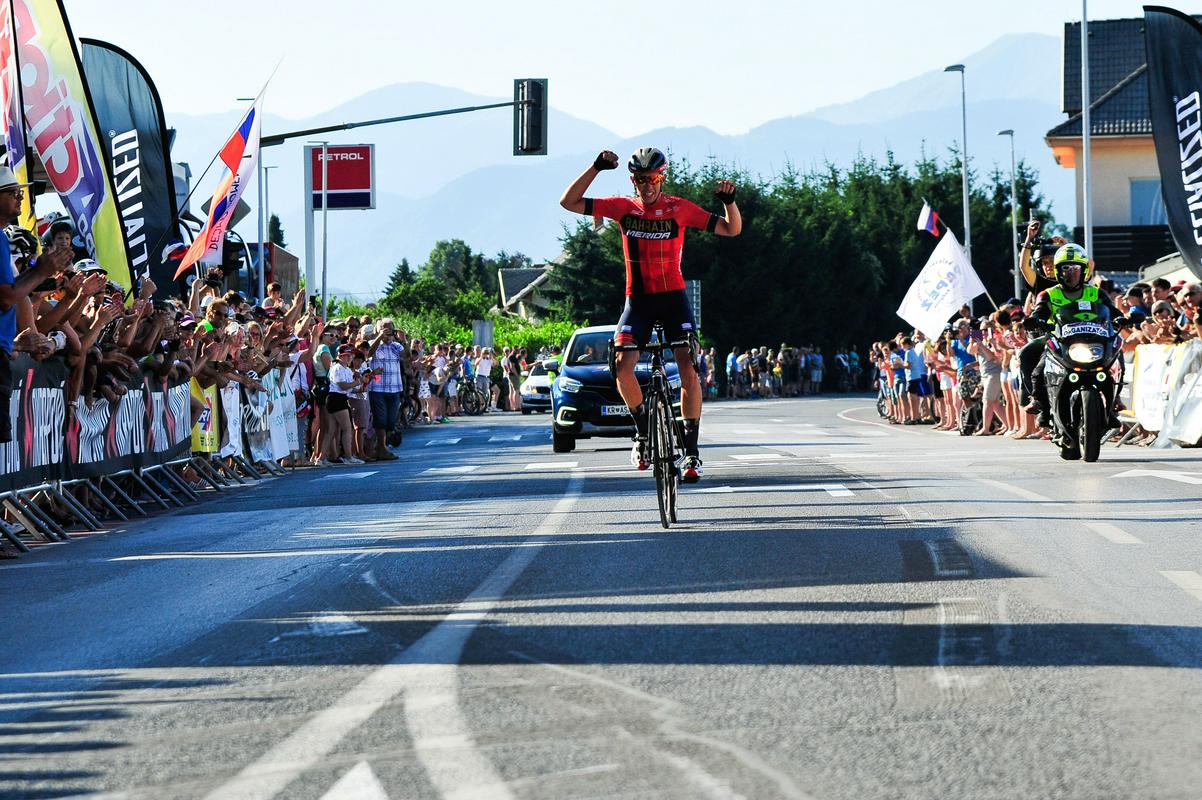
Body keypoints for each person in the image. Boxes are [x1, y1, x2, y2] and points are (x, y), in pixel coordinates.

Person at [559, 147, 741, 482]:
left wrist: (728, 202)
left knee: (687, 364)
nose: (647, 185)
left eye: (653, 179)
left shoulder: (679, 209)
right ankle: (643, 433)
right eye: (641, 179)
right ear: (633, 180)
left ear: (662, 178)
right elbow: (568, 202)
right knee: (621, 366)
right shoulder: (622, 208)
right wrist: (596, 168)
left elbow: (731, 229)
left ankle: (691, 453)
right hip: (638, 301)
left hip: (674, 300)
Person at [1023, 243, 1117, 428]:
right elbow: (1040, 311)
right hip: (1057, 339)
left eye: (1076, 268)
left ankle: (1112, 408)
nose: (1071, 273)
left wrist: (1123, 318)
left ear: (1083, 271)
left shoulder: (1096, 292)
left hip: (1093, 340)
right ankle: (1041, 405)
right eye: (1066, 268)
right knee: (1033, 362)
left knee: (1112, 362)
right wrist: (1035, 319)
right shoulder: (1048, 294)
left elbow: (1112, 311)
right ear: (1059, 271)